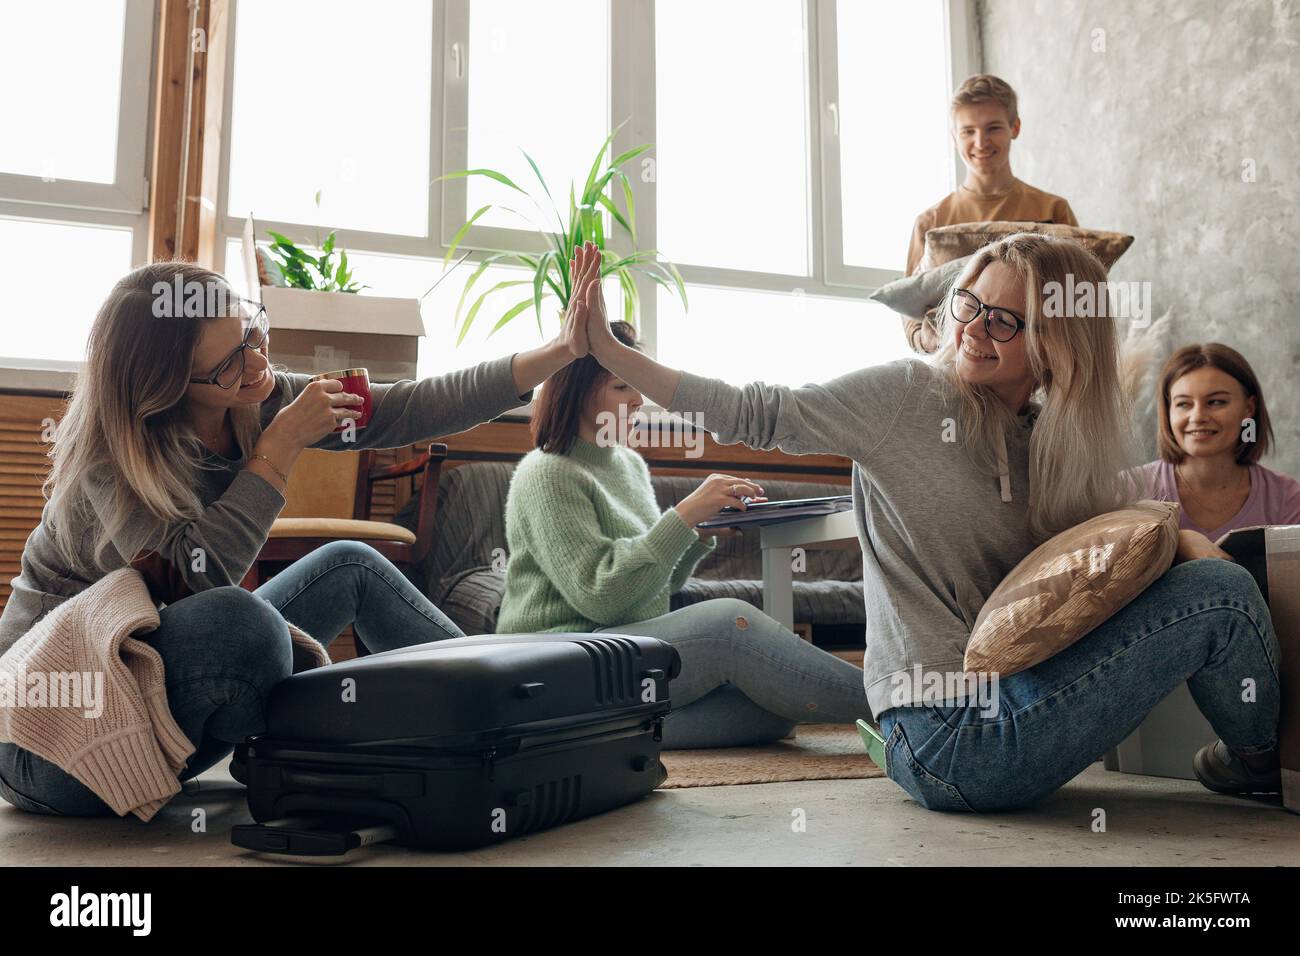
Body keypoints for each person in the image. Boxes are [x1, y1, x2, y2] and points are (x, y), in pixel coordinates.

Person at [577, 233, 1282, 810]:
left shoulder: (1051, 443)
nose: (974, 329)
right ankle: (1259, 762)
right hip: (947, 735)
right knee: (1219, 599)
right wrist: (616, 358)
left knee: (1220, 577)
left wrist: (1182, 537)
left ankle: (1250, 756)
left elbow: (1097, 575)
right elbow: (760, 412)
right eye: (970, 304)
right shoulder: (907, 397)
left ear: (1058, 343)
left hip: (1013, 702)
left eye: (1005, 320)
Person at [0, 255, 592, 817]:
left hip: (159, 683)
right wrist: (278, 450)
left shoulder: (252, 396)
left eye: (252, 333)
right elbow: (196, 584)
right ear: (167, 385)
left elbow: (407, 408)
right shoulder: (111, 466)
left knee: (349, 565)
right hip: (52, 734)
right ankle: (306, 753)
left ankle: (512, 716)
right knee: (241, 623)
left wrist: (557, 353)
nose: (257, 362)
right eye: (231, 361)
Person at [497, 249, 869, 748]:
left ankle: (585, 739)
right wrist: (684, 513)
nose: (638, 400)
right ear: (578, 390)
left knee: (769, 712)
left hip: (620, 649)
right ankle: (908, 704)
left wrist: (695, 534)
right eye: (621, 385)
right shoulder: (547, 474)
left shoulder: (627, 465)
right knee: (726, 622)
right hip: (558, 659)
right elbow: (602, 598)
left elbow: (651, 590)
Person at [902, 74, 1078, 354]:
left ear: (1015, 127)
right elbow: (910, 314)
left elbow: (1076, 298)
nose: (981, 142)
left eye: (993, 128)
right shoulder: (931, 222)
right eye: (968, 131)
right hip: (956, 371)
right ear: (953, 136)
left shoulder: (1053, 210)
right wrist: (932, 339)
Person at [1133, 342, 1300, 544]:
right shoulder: (1130, 489)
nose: (1198, 416)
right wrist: (1180, 543)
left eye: (1216, 402)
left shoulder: (1287, 499)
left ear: (1248, 408)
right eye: (1183, 404)